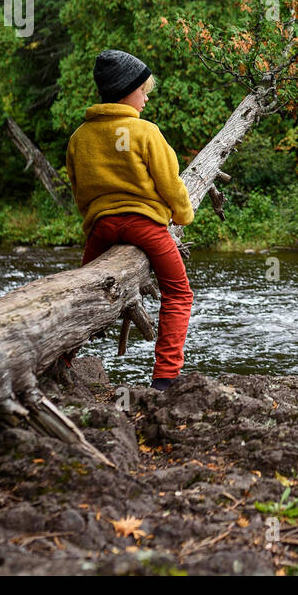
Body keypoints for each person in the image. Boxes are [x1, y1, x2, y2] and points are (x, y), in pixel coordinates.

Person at [65, 49, 194, 392]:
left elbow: (79, 190)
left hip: (101, 228)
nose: (146, 99)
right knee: (179, 294)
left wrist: (95, 221)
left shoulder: (80, 137)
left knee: (81, 296)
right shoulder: (146, 132)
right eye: (143, 92)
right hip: (147, 227)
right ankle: (165, 378)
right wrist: (183, 215)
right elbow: (171, 184)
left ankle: (60, 361)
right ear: (126, 91)